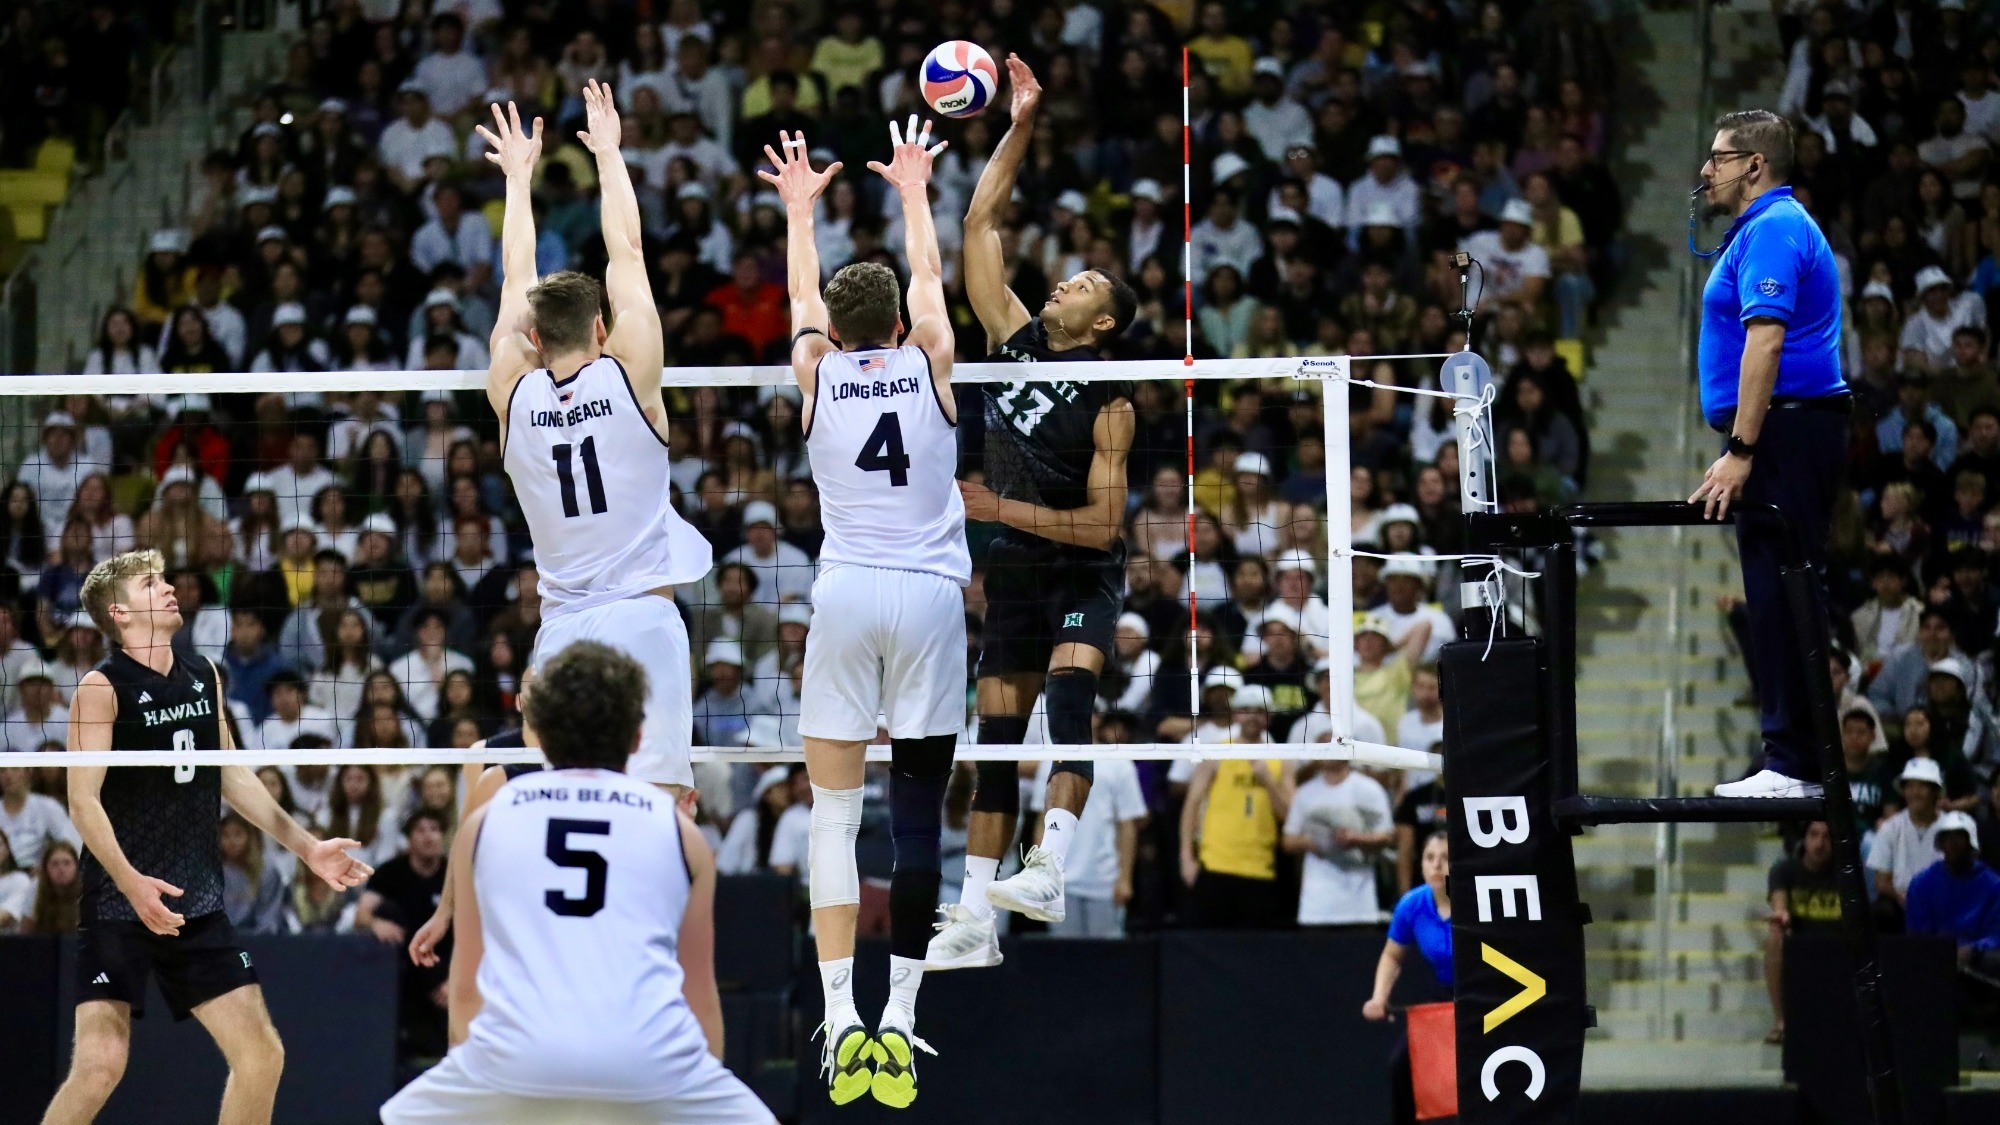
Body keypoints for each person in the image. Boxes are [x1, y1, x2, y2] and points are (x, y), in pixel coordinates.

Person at [765, 116, 964, 1107]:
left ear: (838, 336)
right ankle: (904, 1016)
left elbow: (802, 297)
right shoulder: (931, 359)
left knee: (833, 814)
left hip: (843, 597)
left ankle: (840, 1017)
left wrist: (798, 208)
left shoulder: (816, 372)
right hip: (930, 601)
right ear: (898, 323)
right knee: (918, 821)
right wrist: (914, 191)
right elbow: (930, 282)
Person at [929, 54, 1141, 967]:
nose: (1068, 280)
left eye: (1088, 283)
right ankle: (977, 917)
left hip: (1078, 571)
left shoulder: (1111, 397)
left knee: (1070, 703)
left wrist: (999, 504)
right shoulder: (1009, 343)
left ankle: (1049, 866)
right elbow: (980, 222)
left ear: (1102, 324)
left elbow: (1105, 527)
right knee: (991, 746)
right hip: (1014, 572)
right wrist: (1018, 123)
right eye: (1071, 275)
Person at [378, 642, 774, 1124]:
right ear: (636, 738)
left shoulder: (486, 821)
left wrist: (474, 1082)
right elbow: (698, 993)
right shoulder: (681, 833)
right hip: (646, 1060)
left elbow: (465, 988)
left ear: (538, 731)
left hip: (515, 1058)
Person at [44, 550, 371, 1125]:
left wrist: (308, 847)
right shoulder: (100, 688)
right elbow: (82, 802)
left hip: (197, 903)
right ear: (119, 611)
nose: (170, 589)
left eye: (166, 579)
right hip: (122, 902)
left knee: (262, 1055)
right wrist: (132, 884)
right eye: (152, 584)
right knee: (100, 1065)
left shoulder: (204, 674)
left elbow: (232, 772)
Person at [481, 88, 713, 802]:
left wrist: (518, 177)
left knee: (566, 804)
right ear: (601, 331)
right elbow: (629, 253)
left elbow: (514, 279)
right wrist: (609, 155)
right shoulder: (631, 370)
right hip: (644, 615)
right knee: (666, 806)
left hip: (564, 627)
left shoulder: (510, 390)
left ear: (534, 338)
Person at [1688, 110, 1851, 799]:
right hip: (1784, 430)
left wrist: (1742, 449)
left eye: (1719, 158)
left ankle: (1793, 762)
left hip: (1783, 432)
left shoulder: (1777, 227)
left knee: (1783, 589)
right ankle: (1797, 758)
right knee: (1776, 587)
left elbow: (1766, 342)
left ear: (1756, 165)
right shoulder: (1763, 229)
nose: (1705, 170)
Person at [1177, 687, 1293, 929]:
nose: (1252, 716)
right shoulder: (1217, 752)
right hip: (1215, 865)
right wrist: (1187, 857)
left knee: (1253, 955)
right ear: (1235, 715)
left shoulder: (1282, 758)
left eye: (1259, 711)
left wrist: (1269, 782)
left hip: (1260, 868)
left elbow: (1290, 818)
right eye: (1245, 710)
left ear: (1269, 717)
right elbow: (1191, 806)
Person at [1362, 831, 1455, 1125]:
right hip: (1443, 998)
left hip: (1483, 997)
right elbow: (1392, 956)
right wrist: (1379, 997)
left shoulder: (1479, 903)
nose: (1437, 865)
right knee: (1401, 1067)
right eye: (1430, 858)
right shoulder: (1412, 905)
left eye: (1446, 858)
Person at [1283, 756, 1395, 925]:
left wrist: (1356, 839)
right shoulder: (1305, 793)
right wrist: (1319, 842)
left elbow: (1387, 836)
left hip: (1360, 906)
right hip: (1317, 906)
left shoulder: (1369, 790)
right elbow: (1288, 841)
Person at [1764, 819, 1843, 1045]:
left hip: (1837, 948)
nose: (1820, 843)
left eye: (1826, 837)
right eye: (1814, 835)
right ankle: (1782, 1023)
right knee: (1774, 936)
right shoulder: (1784, 869)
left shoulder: (1846, 873)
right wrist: (1782, 914)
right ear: (1804, 839)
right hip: (1800, 947)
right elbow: (1779, 906)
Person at [1905, 811, 2000, 977]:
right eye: (1947, 838)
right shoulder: (1921, 882)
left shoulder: (1993, 884)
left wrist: (1972, 949)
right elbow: (1916, 931)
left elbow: (1996, 933)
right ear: (1940, 844)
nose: (1953, 844)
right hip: (1932, 956)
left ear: (1971, 842)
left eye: (1959, 838)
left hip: (1978, 958)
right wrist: (1942, 951)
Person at [1867, 757, 1949, 929]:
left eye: (1922, 786)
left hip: (1942, 900)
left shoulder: (1950, 827)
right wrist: (1901, 896)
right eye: (1910, 786)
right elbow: (1881, 881)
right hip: (1900, 901)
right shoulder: (1891, 827)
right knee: (1880, 911)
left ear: (1935, 791)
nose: (1915, 792)